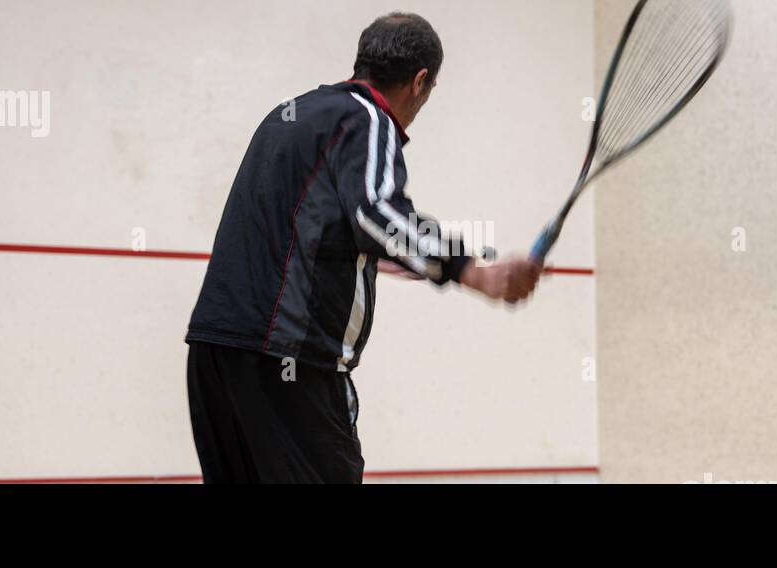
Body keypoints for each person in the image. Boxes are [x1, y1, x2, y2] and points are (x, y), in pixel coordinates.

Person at [185, 12, 543, 483]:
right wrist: (472, 270)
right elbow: (375, 212)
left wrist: (379, 256)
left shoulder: (287, 115)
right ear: (420, 82)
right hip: (289, 362)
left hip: (214, 354)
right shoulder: (368, 117)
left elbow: (304, 228)